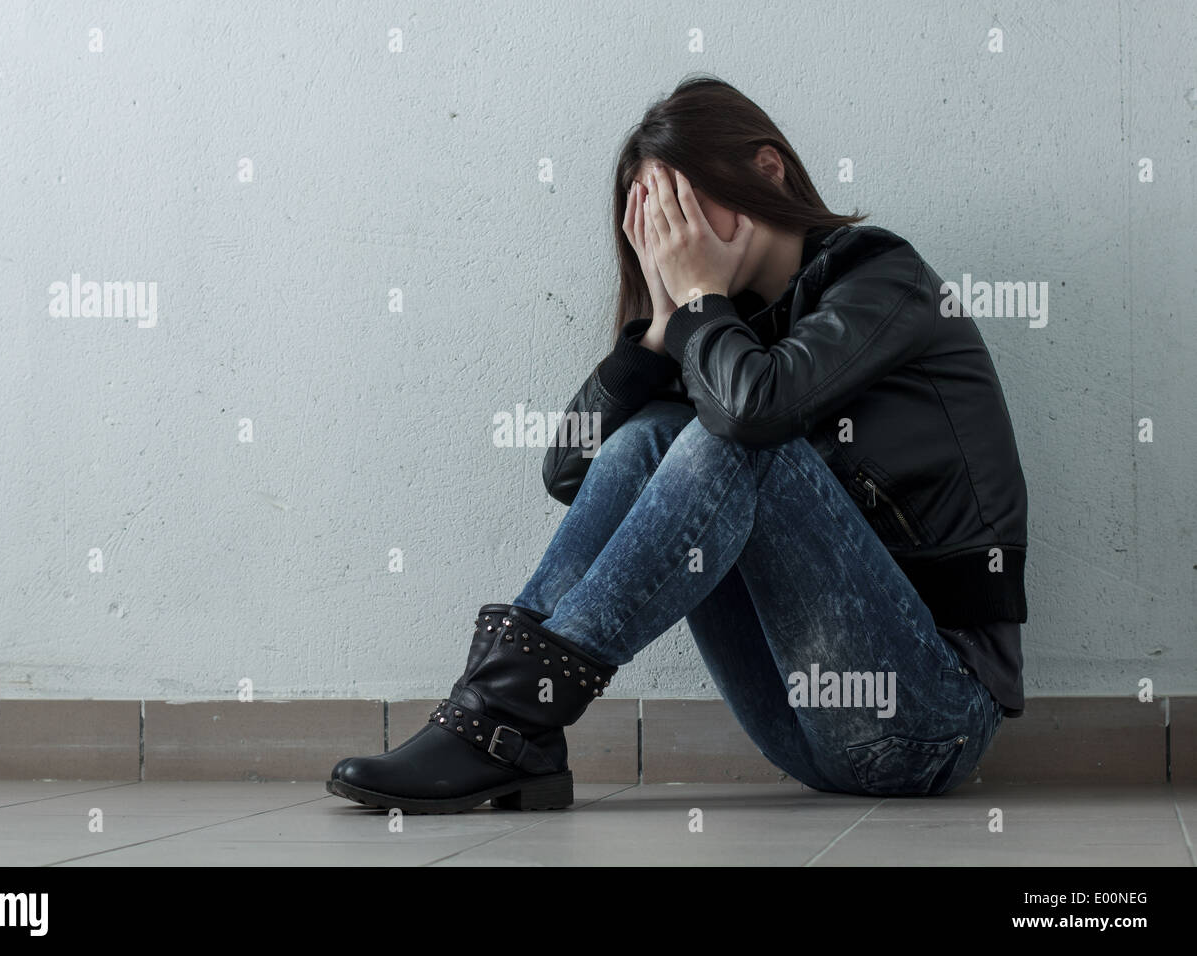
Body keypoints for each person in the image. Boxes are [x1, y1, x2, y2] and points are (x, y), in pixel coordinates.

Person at [327, 75, 1029, 814]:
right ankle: (507, 722)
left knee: (734, 438)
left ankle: (502, 722)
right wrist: (658, 340)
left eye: (682, 206)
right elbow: (570, 471)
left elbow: (757, 412)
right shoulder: (716, 334)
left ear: (766, 170)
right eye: (652, 219)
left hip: (930, 715)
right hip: (799, 731)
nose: (671, 236)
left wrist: (699, 305)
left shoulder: (883, 278)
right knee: (657, 433)